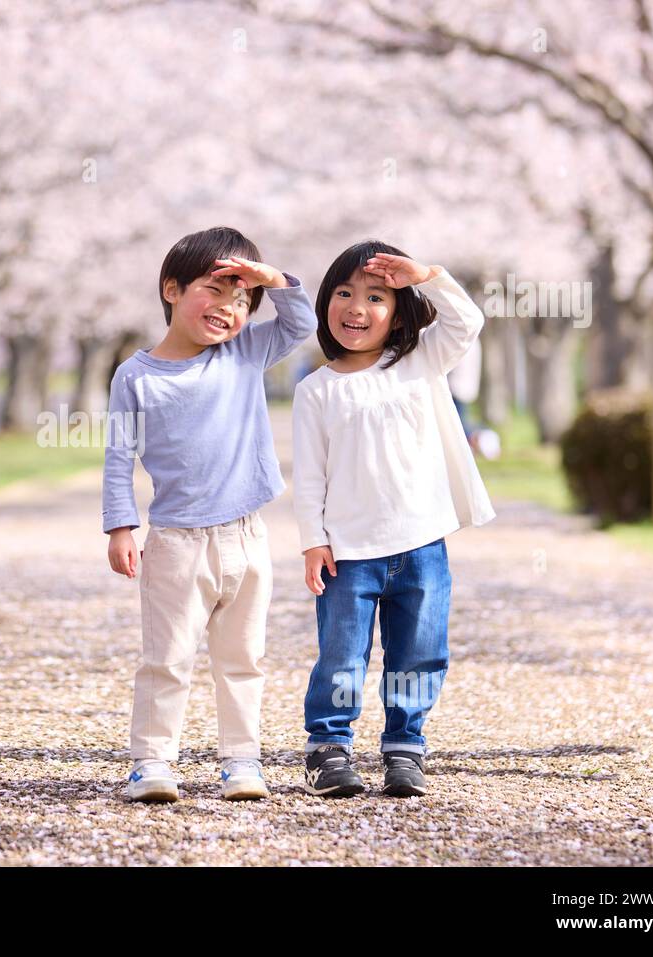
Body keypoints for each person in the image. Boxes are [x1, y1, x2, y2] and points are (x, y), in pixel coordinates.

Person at [102, 226, 316, 802]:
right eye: (214, 291)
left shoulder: (245, 352)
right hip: (175, 542)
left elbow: (302, 324)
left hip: (246, 537)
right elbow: (119, 455)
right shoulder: (136, 376)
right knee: (167, 659)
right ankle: (152, 762)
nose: (228, 308)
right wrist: (121, 525)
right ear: (171, 289)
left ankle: (242, 760)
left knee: (243, 658)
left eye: (242, 300)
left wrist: (275, 281)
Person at [291, 241, 495, 798]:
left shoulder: (420, 362)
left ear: (399, 309)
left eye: (376, 297)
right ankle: (328, 747)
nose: (357, 308)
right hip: (349, 552)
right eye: (344, 293)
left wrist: (426, 275)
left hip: (421, 544)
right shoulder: (315, 390)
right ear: (326, 305)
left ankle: (405, 748)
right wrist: (313, 540)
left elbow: (467, 320)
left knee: (419, 652)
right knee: (341, 655)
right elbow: (309, 476)